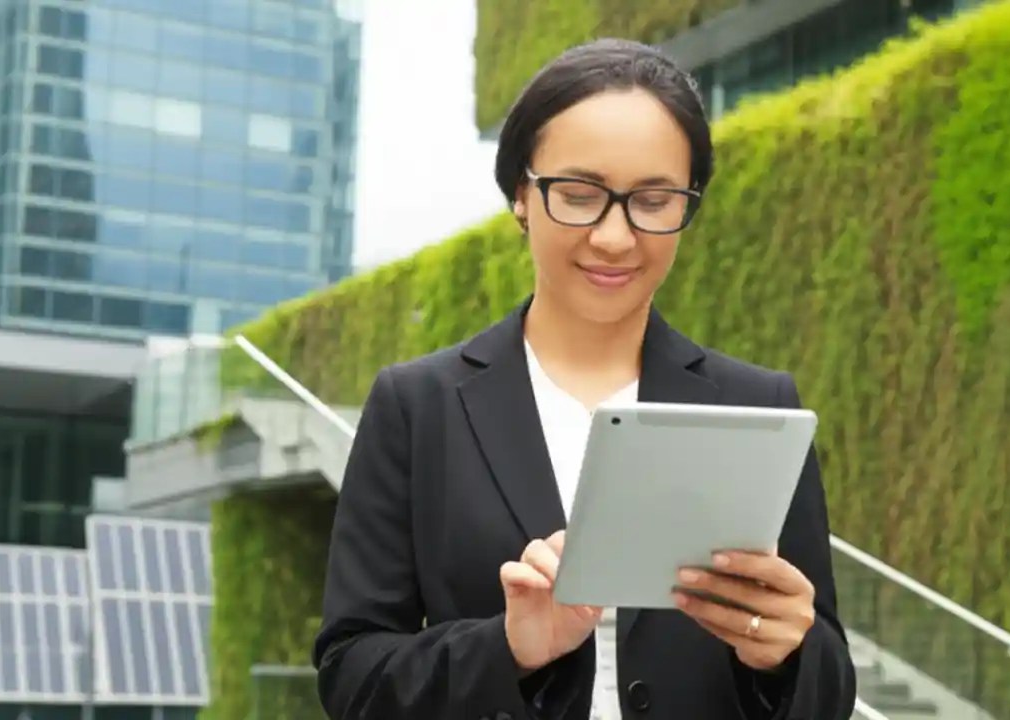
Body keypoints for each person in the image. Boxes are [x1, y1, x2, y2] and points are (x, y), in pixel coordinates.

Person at [311, 38, 856, 720]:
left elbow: (828, 686)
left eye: (654, 201)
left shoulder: (758, 405)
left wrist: (785, 653)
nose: (614, 237)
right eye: (578, 194)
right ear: (520, 195)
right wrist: (509, 646)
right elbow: (352, 675)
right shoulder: (418, 407)